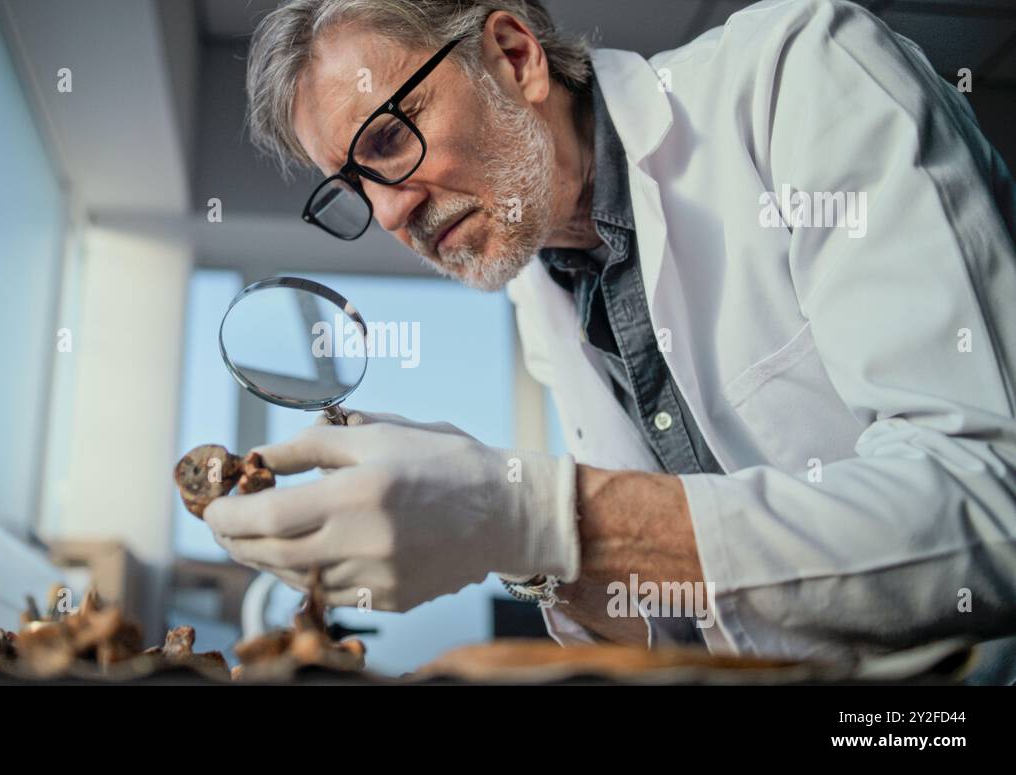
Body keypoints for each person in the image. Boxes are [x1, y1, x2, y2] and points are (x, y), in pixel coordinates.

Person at [206, 0, 1016, 670]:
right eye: (352, 188)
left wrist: (534, 508)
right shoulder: (540, 289)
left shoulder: (798, 77)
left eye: (388, 138)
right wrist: (510, 539)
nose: (388, 211)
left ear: (515, 55)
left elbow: (992, 502)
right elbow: (669, 621)